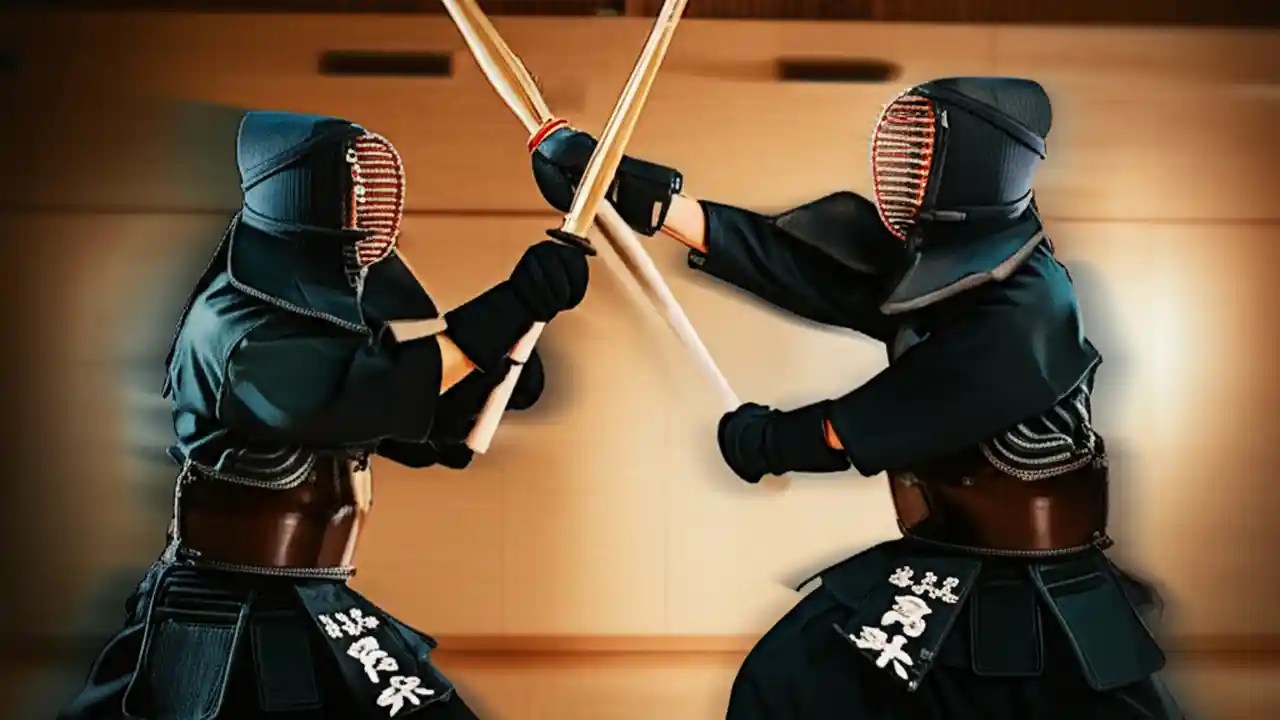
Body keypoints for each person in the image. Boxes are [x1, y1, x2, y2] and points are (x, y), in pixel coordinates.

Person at [529, 77, 1185, 719]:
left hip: (1039, 591)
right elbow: (815, 272)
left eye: (922, 154)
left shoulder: (1027, 312)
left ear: (979, 166)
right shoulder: (967, 273)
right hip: (946, 561)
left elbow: (883, 418)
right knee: (789, 684)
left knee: (801, 684)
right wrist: (635, 196)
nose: (906, 170)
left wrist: (769, 440)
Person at [60, 110, 589, 719]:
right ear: (299, 195)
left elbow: (406, 426)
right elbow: (363, 397)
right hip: (220, 604)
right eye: (354, 191)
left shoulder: (309, 323)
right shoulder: (233, 331)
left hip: (313, 596)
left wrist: (496, 366)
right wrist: (507, 309)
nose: (371, 211)